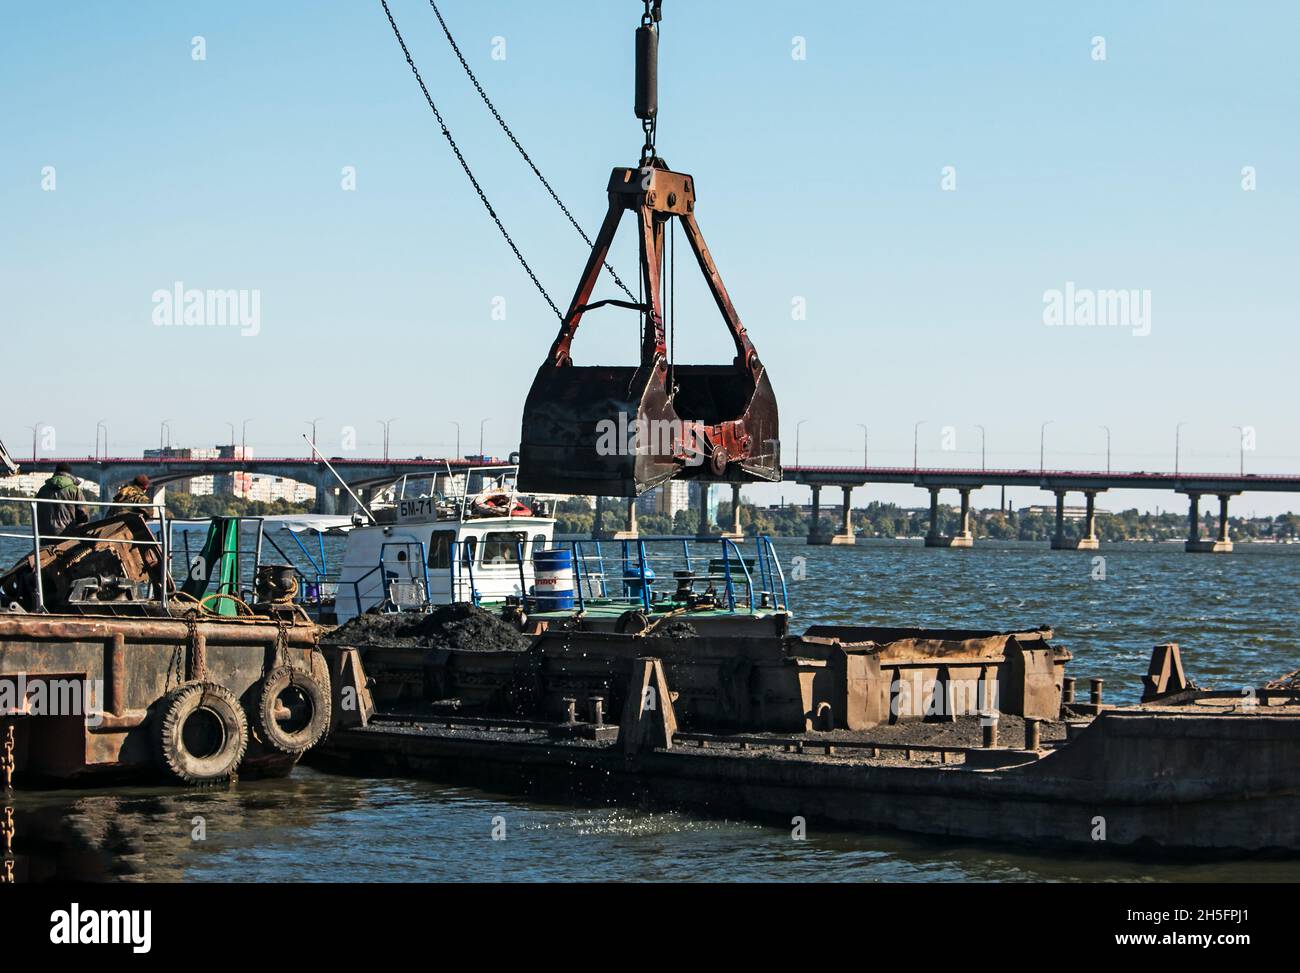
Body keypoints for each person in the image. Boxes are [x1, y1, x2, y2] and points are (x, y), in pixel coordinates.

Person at [35, 463, 89, 537]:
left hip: (46, 534)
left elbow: (36, 511)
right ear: (70, 474)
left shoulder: (43, 490)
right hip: (68, 533)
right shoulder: (74, 490)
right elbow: (83, 514)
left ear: (55, 472)